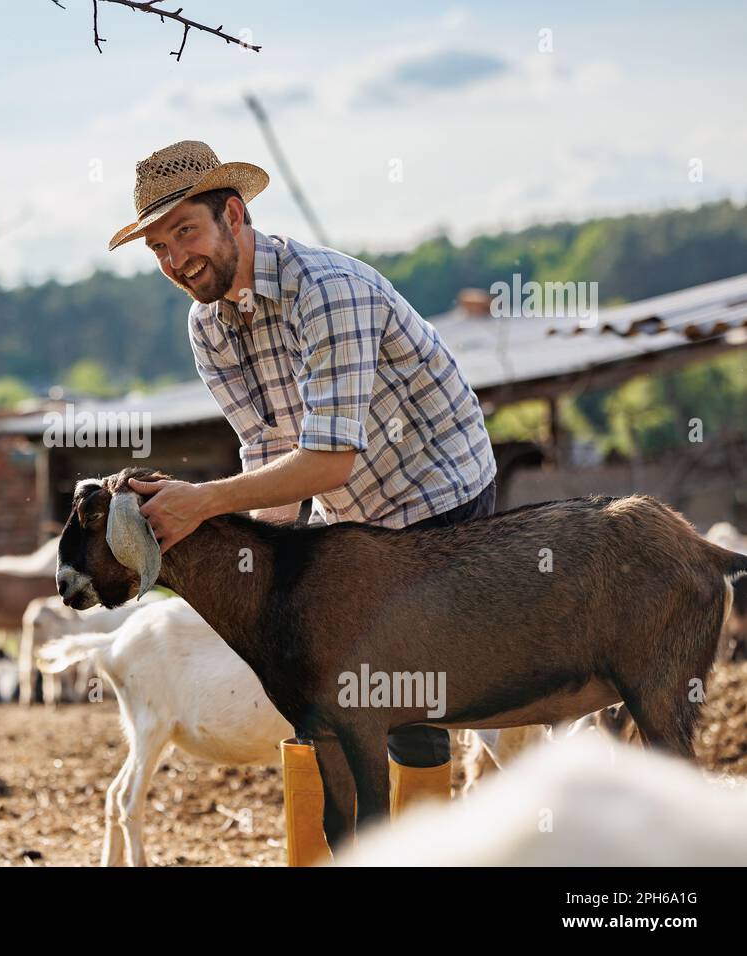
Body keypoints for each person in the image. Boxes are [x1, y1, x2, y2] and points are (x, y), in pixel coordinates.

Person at [107, 140, 498, 862]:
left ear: (234, 213)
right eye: (158, 248)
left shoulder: (329, 290)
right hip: (349, 508)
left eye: (185, 233)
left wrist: (201, 505)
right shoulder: (209, 327)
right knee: (310, 693)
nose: (174, 260)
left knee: (409, 699)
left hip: (437, 491)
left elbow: (327, 458)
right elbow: (265, 448)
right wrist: (252, 582)